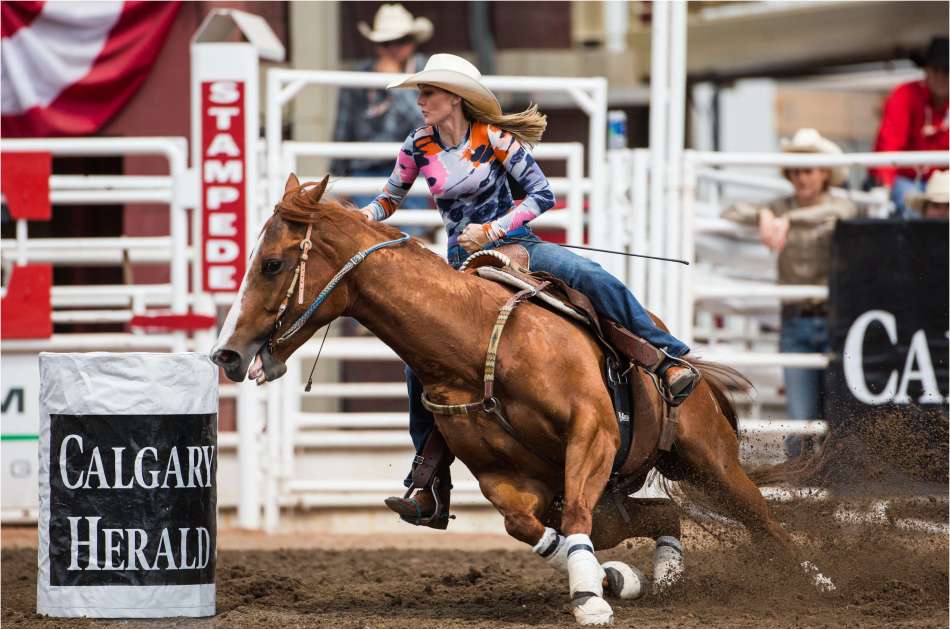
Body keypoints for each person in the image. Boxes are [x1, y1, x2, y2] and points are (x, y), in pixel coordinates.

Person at [356, 53, 698, 527]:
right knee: (421, 363)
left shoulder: (495, 140)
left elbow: (542, 196)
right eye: (421, 92)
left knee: (593, 278)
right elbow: (390, 198)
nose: (421, 100)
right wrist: (361, 218)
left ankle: (667, 358)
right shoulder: (417, 144)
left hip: (517, 247)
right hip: (460, 266)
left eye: (428, 92)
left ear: (454, 97)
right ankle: (430, 481)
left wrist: (493, 231)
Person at [722, 128, 857, 459]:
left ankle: (834, 485)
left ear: (823, 174)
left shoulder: (834, 206)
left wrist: (783, 219)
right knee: (800, 416)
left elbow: (843, 213)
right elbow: (730, 211)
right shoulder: (780, 208)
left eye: (807, 170)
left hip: (834, 320)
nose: (801, 178)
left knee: (838, 411)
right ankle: (802, 492)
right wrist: (764, 215)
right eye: (795, 171)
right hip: (798, 320)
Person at [331, 4, 431, 213]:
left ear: (412, 43)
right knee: (365, 232)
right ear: (378, 46)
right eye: (387, 43)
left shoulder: (426, 72)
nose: (394, 48)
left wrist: (394, 83)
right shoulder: (360, 76)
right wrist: (338, 180)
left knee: (410, 235)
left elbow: (426, 124)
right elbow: (344, 130)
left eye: (401, 41)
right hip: (365, 170)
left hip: (415, 168)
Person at [870, 36, 948, 217]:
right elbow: (889, 144)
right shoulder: (905, 95)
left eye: (948, 70)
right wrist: (885, 184)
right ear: (926, 70)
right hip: (908, 180)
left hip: (945, 185)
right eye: (937, 70)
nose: (942, 77)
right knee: (912, 211)